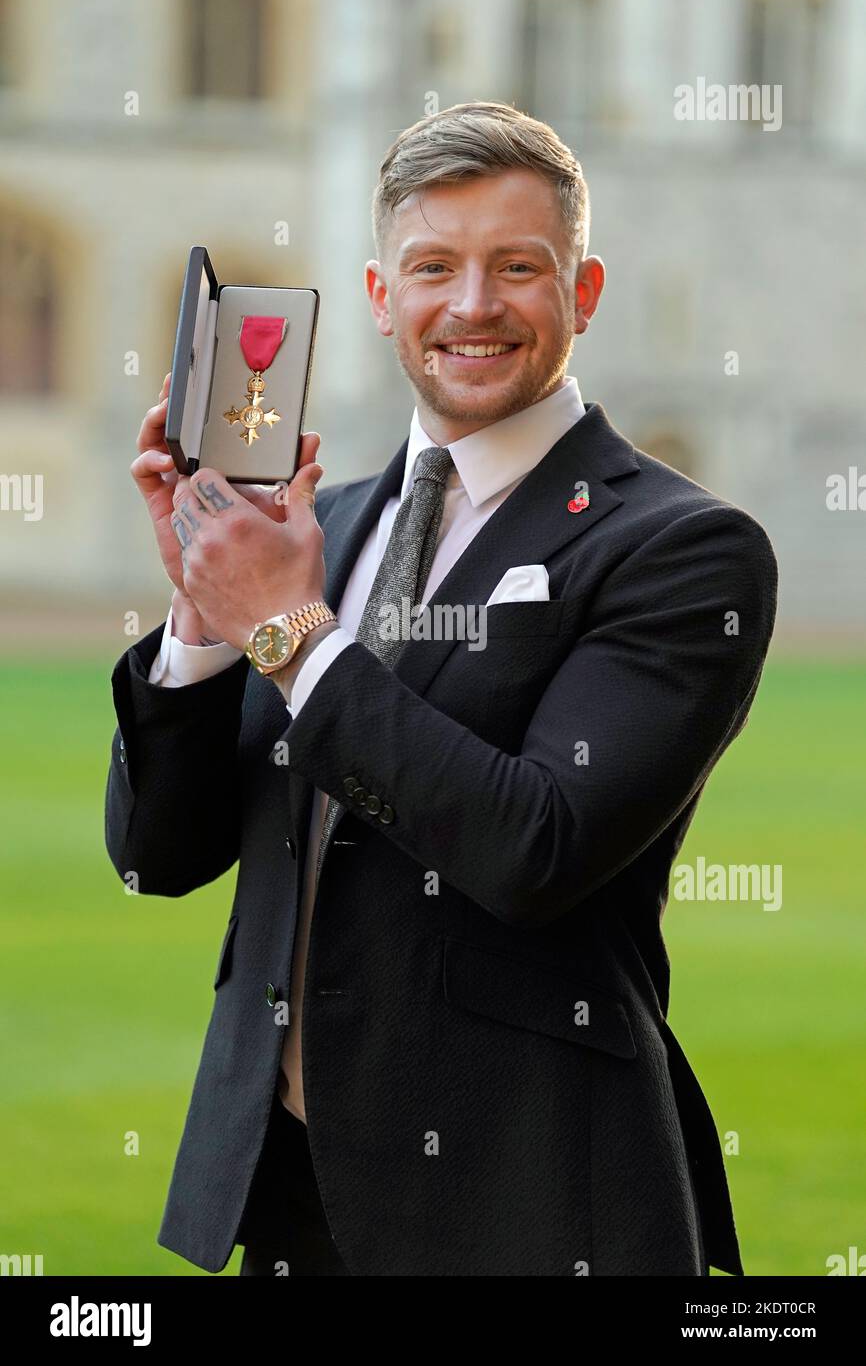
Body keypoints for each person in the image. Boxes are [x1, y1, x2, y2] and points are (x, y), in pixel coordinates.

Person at [105, 101, 777, 1276]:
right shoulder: (331, 524)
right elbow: (155, 857)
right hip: (287, 1193)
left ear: (585, 288)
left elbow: (535, 844)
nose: (470, 305)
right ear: (377, 298)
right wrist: (205, 620)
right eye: (432, 268)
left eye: (516, 266)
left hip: (524, 1199)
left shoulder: (682, 548)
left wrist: (287, 629)